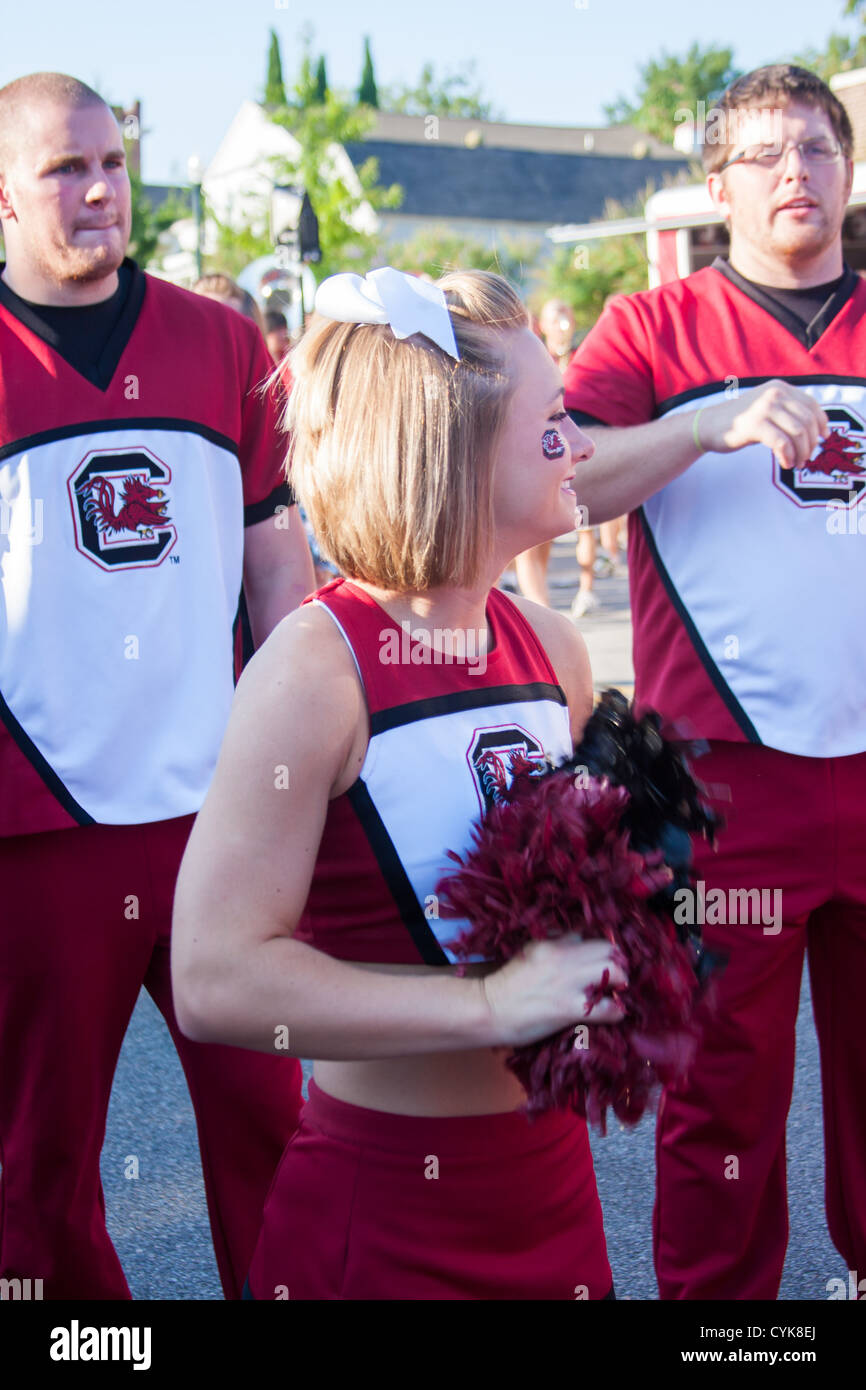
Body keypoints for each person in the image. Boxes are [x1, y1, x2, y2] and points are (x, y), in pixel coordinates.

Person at [172, 266, 628, 1301]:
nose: (580, 447)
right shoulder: (312, 666)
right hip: (382, 1215)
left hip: (554, 1192)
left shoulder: (553, 646)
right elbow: (211, 977)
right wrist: (488, 1003)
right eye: (551, 423)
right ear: (453, 447)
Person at [0, 72, 315, 1300]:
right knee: (40, 1169)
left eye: (110, 165)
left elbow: (276, 564)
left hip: (213, 808)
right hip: (36, 817)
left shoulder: (224, 340)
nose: (95, 191)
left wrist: (301, 762)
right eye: (61, 170)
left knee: (271, 1126)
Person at [563, 63, 865, 1300]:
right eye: (765, 153)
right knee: (721, 1112)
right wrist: (705, 424)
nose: (795, 169)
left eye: (816, 146)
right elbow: (560, 478)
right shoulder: (649, 327)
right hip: (722, 797)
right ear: (716, 186)